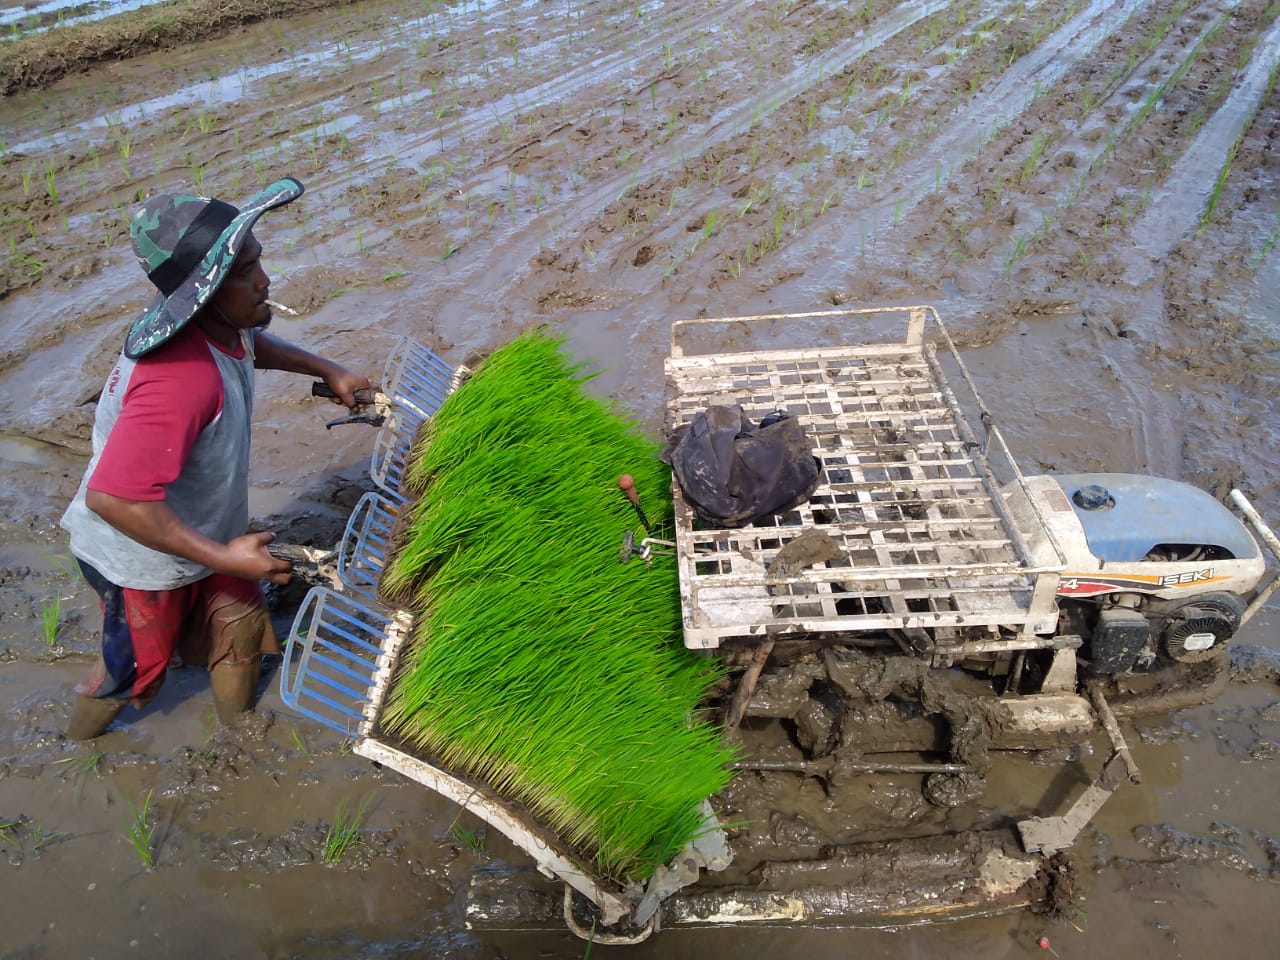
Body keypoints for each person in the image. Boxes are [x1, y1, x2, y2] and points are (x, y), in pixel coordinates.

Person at [60, 176, 370, 740]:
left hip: (200, 532)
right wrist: (225, 559)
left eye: (257, 262)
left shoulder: (222, 322)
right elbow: (114, 496)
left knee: (242, 625)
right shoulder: (180, 380)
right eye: (245, 272)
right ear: (203, 292)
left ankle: (240, 737)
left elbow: (254, 347)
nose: (264, 280)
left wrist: (326, 369)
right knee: (131, 672)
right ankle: (78, 746)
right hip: (137, 559)